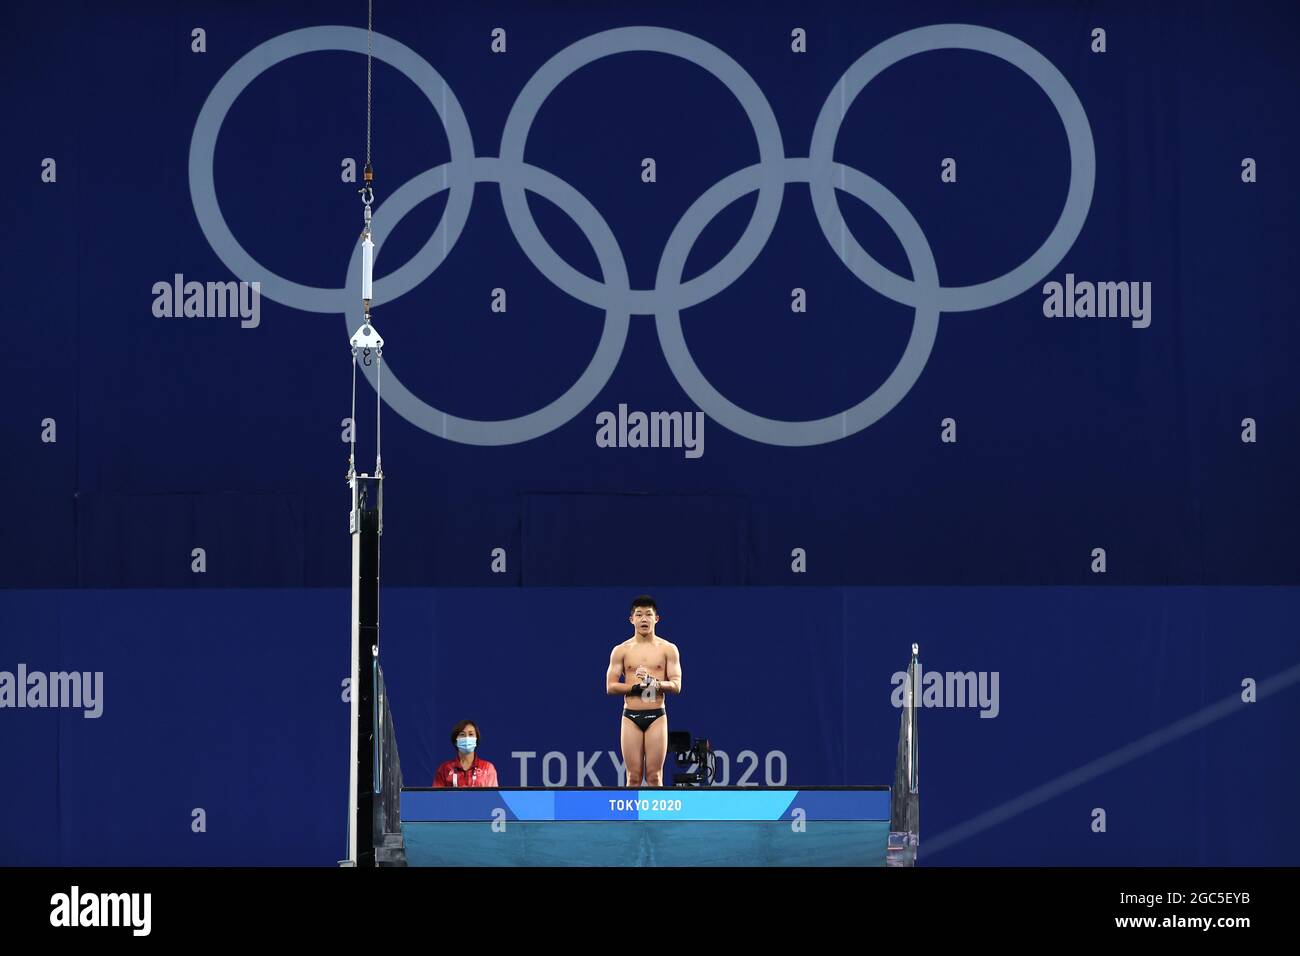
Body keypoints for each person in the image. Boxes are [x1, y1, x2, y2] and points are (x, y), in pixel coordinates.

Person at [605, 595, 683, 787]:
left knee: (655, 776)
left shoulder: (668, 649)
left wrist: (655, 683)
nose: (644, 619)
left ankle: (656, 818)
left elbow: (676, 685)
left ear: (657, 618)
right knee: (633, 777)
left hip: (656, 715)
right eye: (639, 614)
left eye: (648, 614)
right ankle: (631, 818)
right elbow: (611, 686)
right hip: (630, 716)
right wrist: (635, 687)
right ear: (632, 619)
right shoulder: (621, 650)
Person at [432, 719, 499, 787]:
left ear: (476, 739)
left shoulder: (487, 768)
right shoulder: (444, 769)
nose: (467, 738)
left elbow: (493, 796)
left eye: (471, 734)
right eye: (462, 734)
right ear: (456, 741)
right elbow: (436, 796)